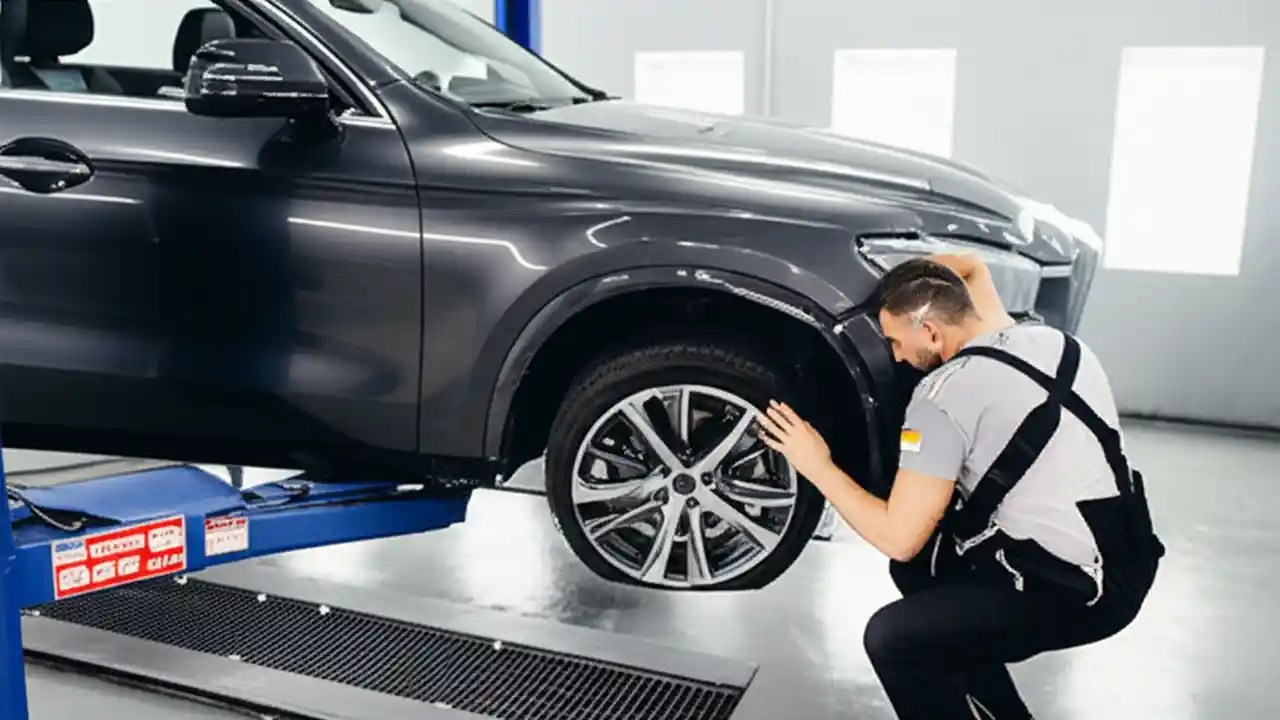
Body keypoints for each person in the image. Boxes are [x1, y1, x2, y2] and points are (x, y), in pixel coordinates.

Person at [756, 253, 1164, 719]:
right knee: (920, 574)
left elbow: (898, 537)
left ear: (930, 331)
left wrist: (817, 464)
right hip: (1128, 553)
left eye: (895, 340)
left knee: (894, 639)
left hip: (1077, 594)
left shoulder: (941, 398)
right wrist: (896, 283)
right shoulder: (1053, 341)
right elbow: (970, 269)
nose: (895, 355)